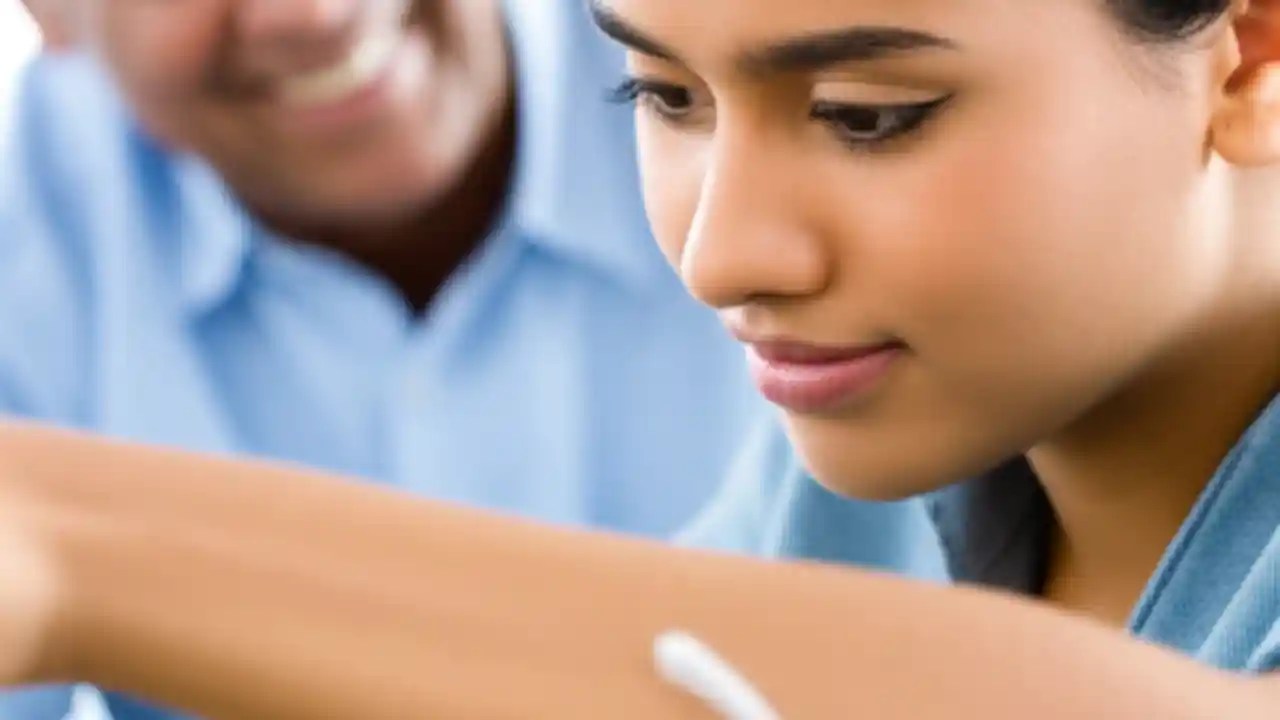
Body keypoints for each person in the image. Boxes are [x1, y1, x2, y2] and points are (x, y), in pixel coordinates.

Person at [1, 0, 1277, 715]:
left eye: (865, 118)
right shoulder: (838, 506)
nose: (719, 260)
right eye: (663, 98)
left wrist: (71, 541)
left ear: (1251, 56)